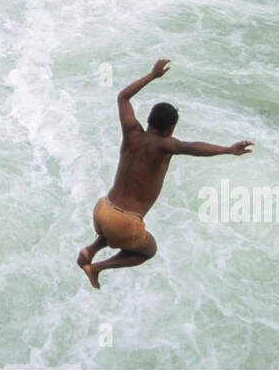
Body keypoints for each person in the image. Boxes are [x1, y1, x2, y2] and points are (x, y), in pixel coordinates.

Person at [78, 59, 254, 289]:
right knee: (148, 251)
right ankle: (97, 267)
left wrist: (152, 75)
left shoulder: (132, 132)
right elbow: (193, 148)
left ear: (149, 120)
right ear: (171, 129)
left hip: (102, 209)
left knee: (114, 233)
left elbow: (122, 97)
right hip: (125, 222)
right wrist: (228, 150)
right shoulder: (165, 146)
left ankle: (91, 249)